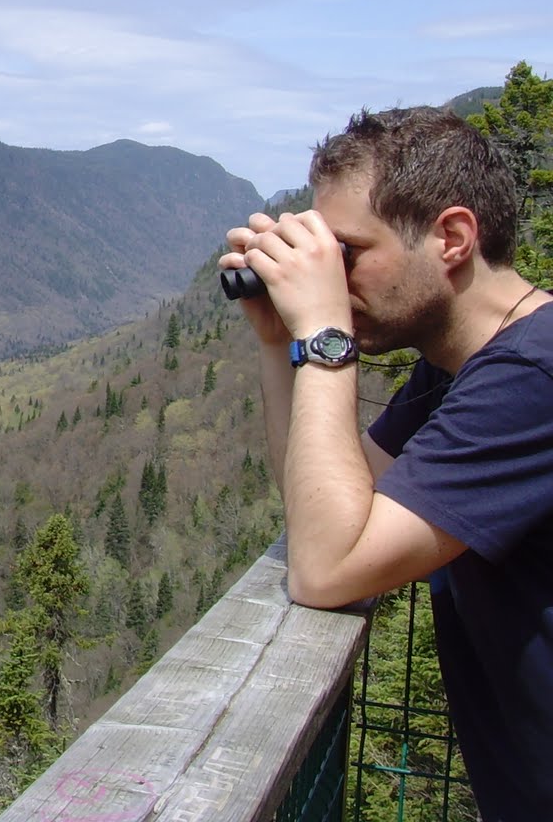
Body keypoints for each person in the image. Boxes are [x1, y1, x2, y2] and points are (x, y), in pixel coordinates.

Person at [220, 106, 552, 822]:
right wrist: (284, 343)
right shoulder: (461, 370)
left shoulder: (535, 379)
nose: (331, 278)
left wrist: (326, 333)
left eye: (349, 252)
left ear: (454, 239)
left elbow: (327, 568)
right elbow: (327, 508)